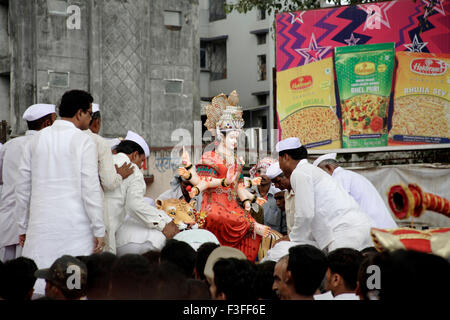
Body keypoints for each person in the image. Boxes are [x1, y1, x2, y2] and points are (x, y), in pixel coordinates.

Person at [15, 90, 106, 296]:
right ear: (80, 113)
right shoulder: (84, 141)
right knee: (73, 286)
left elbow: (22, 188)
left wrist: (22, 225)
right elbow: (90, 189)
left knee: (39, 282)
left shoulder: (36, 140)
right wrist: (99, 230)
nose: (91, 118)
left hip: (41, 228)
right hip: (76, 229)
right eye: (90, 113)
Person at [178, 91, 271, 261]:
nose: (235, 142)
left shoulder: (236, 161)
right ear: (221, 136)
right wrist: (188, 167)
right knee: (218, 216)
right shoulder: (210, 157)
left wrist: (250, 200)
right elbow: (200, 181)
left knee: (252, 214)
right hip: (214, 205)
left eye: (237, 138)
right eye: (233, 138)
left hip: (232, 206)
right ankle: (252, 226)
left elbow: (239, 187)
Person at [276, 137, 373, 253]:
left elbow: (305, 214)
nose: (280, 166)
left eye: (279, 161)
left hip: (345, 233)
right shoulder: (310, 170)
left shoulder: (300, 173)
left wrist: (292, 238)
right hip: (358, 229)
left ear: (286, 157)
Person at [103, 131, 179, 255]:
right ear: (134, 155)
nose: (140, 166)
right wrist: (162, 223)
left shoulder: (105, 163)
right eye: (142, 160)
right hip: (106, 231)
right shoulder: (132, 170)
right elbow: (134, 205)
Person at [0, 104, 56, 262]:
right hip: (31, 222)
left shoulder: (9, 145)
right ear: (47, 124)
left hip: (8, 219)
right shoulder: (47, 146)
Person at [313, 153, 397, 229]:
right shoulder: (348, 175)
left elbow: (338, 208)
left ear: (329, 167)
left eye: (321, 173)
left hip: (376, 230)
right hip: (381, 228)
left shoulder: (339, 177)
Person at [84, 103, 134, 193]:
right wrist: (119, 175)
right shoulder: (100, 143)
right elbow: (109, 183)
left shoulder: (68, 137)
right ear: (97, 122)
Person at [249, 158, 287, 234]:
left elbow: (284, 223)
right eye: (259, 171)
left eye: (266, 172)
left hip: (272, 238)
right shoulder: (247, 193)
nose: (262, 175)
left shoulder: (279, 195)